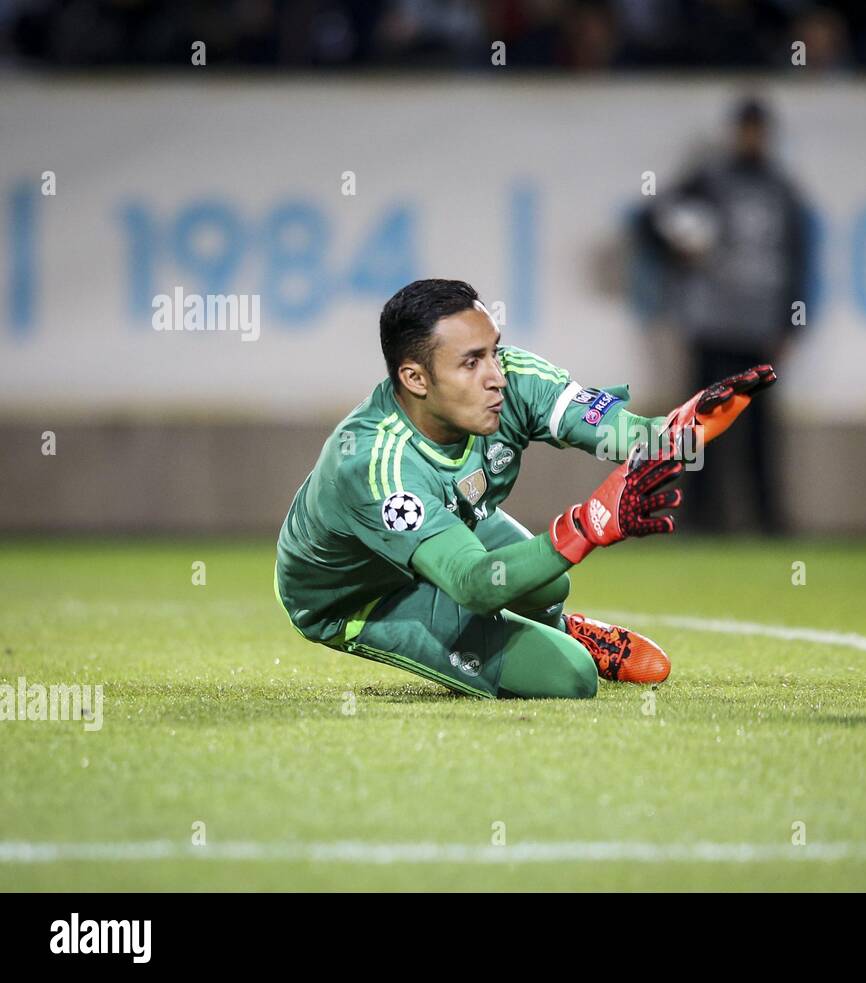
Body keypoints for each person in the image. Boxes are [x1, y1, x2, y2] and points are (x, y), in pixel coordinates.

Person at [275, 278, 775, 699]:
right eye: (471, 362)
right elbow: (472, 581)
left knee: (549, 584)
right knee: (572, 677)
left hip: (450, 521)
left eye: (494, 349)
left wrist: (683, 435)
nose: (496, 375)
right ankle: (558, 645)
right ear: (416, 378)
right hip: (362, 593)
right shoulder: (373, 465)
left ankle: (561, 625)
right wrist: (585, 527)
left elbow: (629, 438)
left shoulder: (512, 378)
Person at [636, 96, 808, 534]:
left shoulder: (781, 189)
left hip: (758, 328)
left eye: (758, 130)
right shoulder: (708, 181)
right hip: (711, 324)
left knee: (760, 433)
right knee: (700, 430)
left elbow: (796, 258)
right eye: (746, 129)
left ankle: (766, 519)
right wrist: (676, 248)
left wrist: (790, 322)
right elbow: (651, 220)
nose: (752, 138)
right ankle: (700, 518)